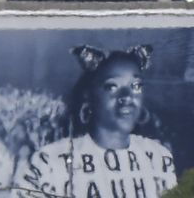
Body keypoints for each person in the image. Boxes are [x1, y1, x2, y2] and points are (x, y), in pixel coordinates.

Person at [20, 45, 177, 198]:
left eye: (136, 86)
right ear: (89, 99)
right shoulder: (49, 162)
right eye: (112, 87)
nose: (127, 96)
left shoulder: (158, 157)